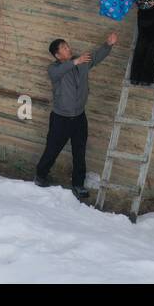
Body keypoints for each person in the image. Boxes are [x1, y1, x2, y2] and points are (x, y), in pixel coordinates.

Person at [34, 31, 118, 198]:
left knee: (79, 152)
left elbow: (95, 57)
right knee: (52, 149)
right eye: (64, 48)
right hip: (60, 119)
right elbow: (60, 71)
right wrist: (75, 62)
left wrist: (108, 45)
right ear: (57, 55)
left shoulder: (81, 61)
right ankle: (40, 175)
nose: (68, 48)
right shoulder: (54, 69)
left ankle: (78, 184)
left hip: (79, 117)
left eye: (67, 46)